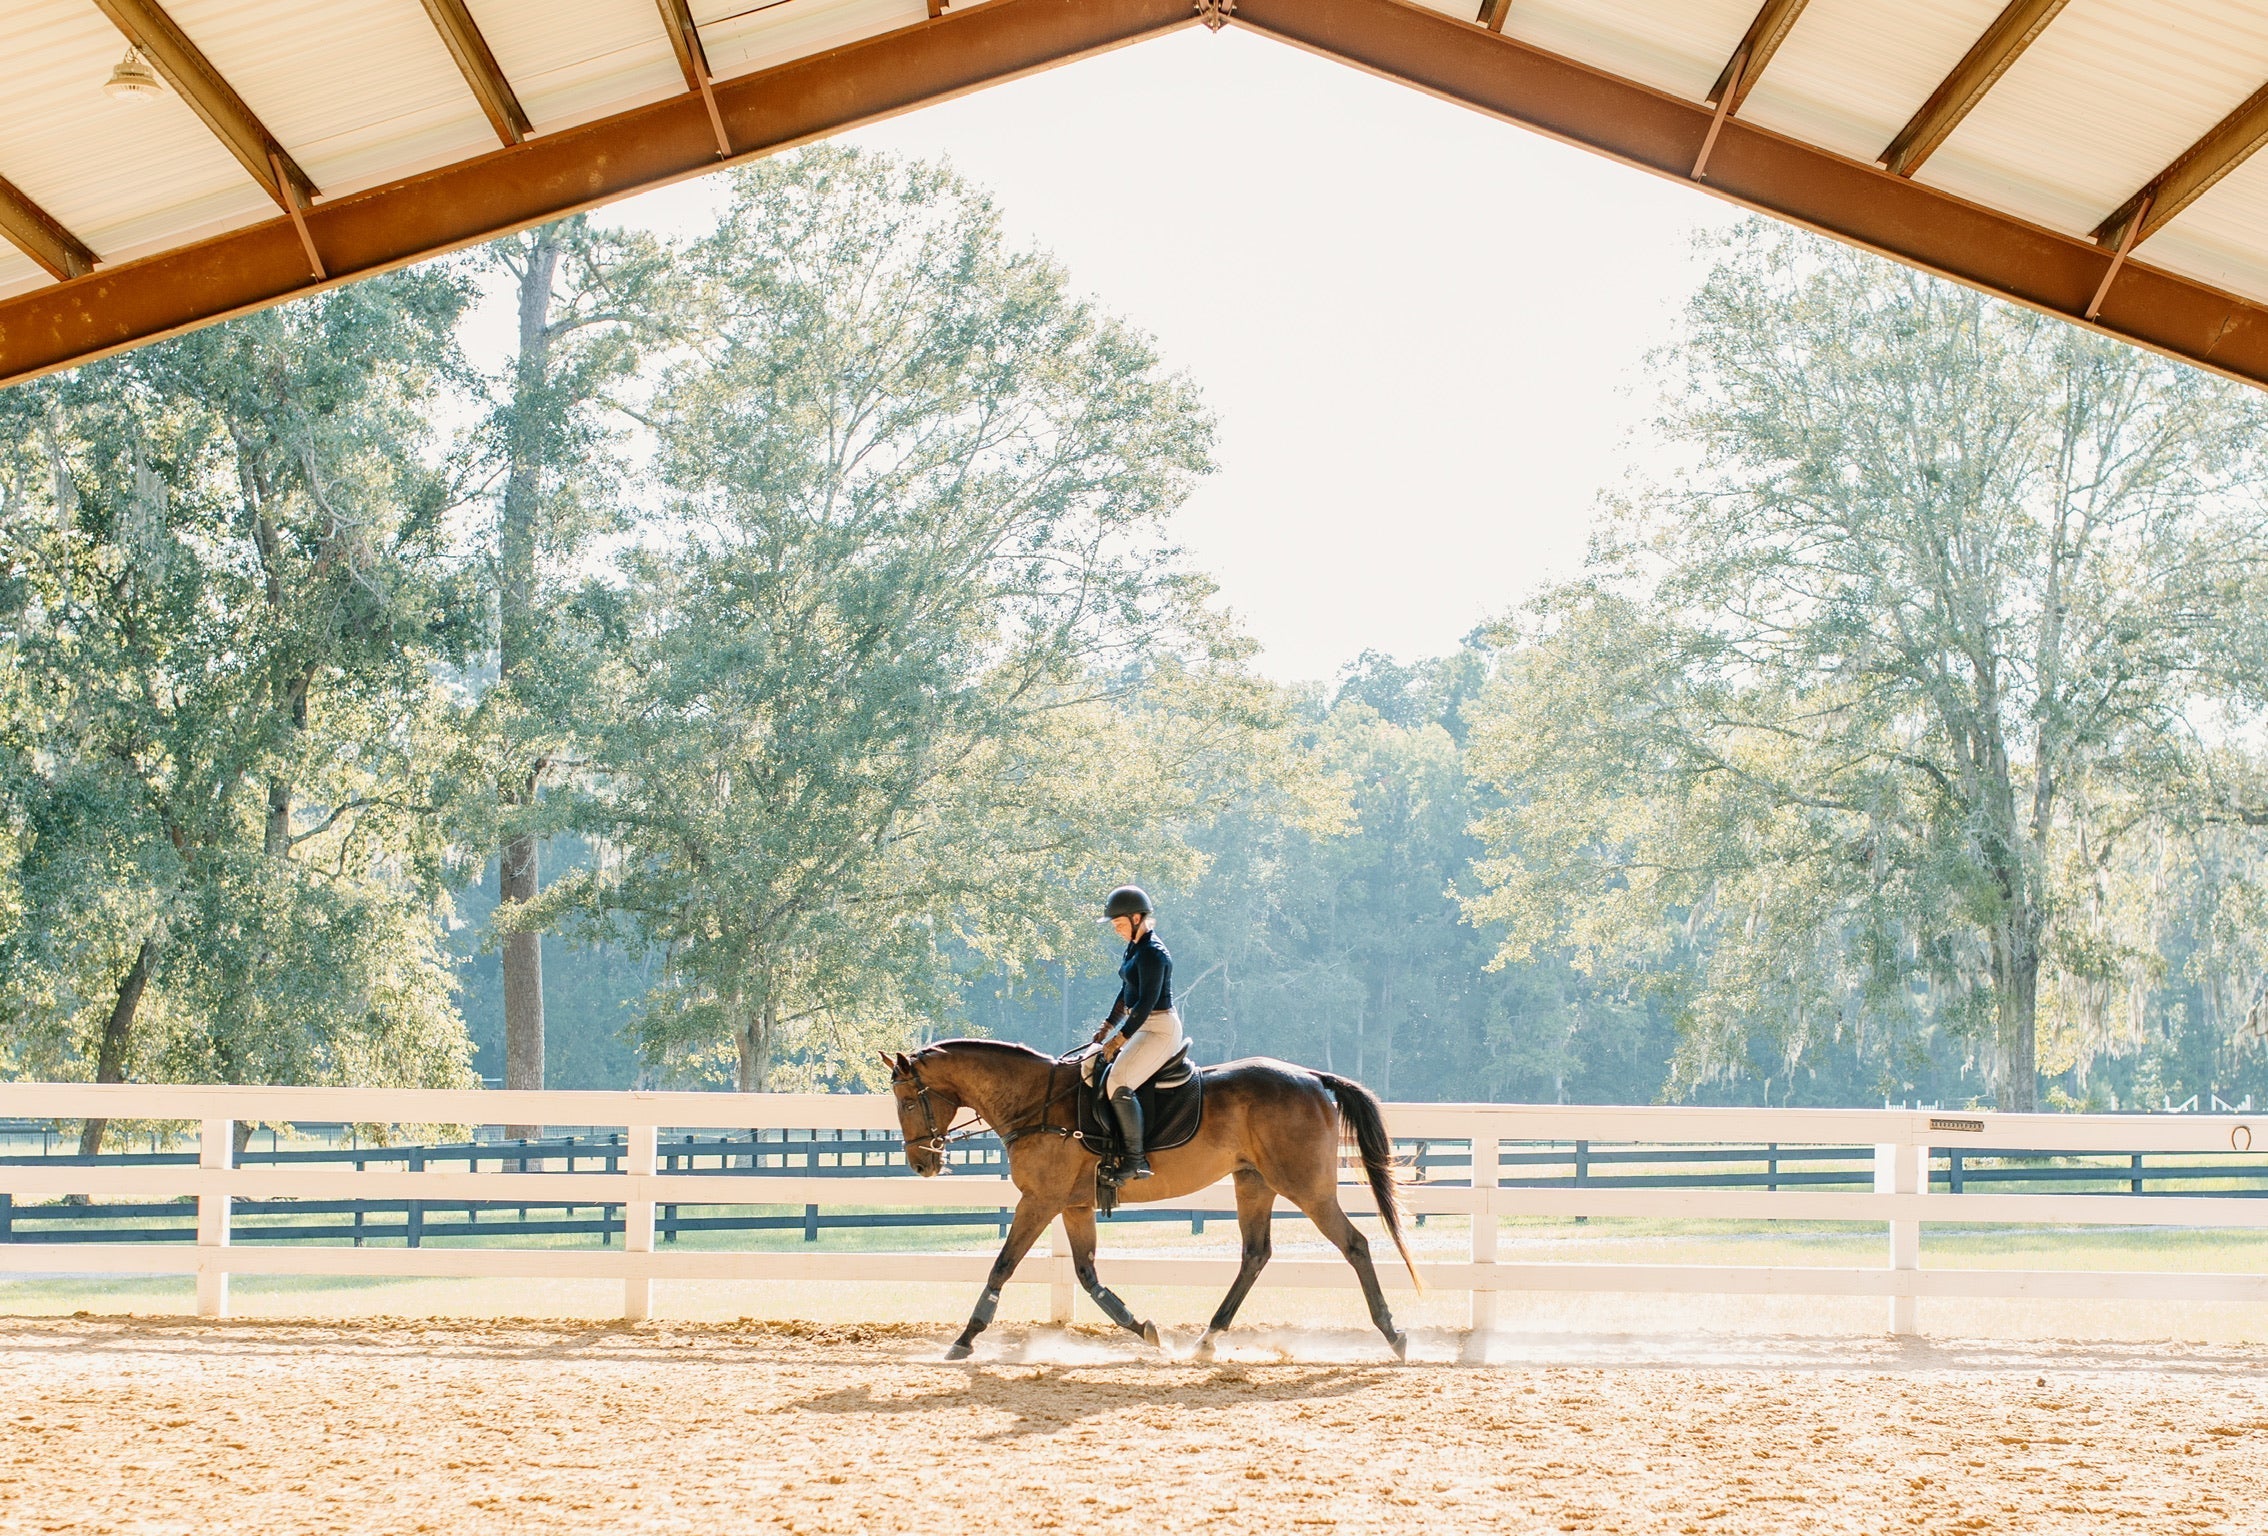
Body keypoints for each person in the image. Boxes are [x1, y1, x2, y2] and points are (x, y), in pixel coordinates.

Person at [1090, 884, 1178, 1181]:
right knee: (1092, 1065)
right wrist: (1108, 1024)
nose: (1116, 930)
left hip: (1158, 1029)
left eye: (1118, 923)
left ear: (1137, 918)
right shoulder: (1135, 947)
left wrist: (1120, 1038)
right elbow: (1126, 990)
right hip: (1139, 1024)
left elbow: (1145, 1003)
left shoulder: (1154, 954)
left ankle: (1136, 1161)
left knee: (1119, 1081)